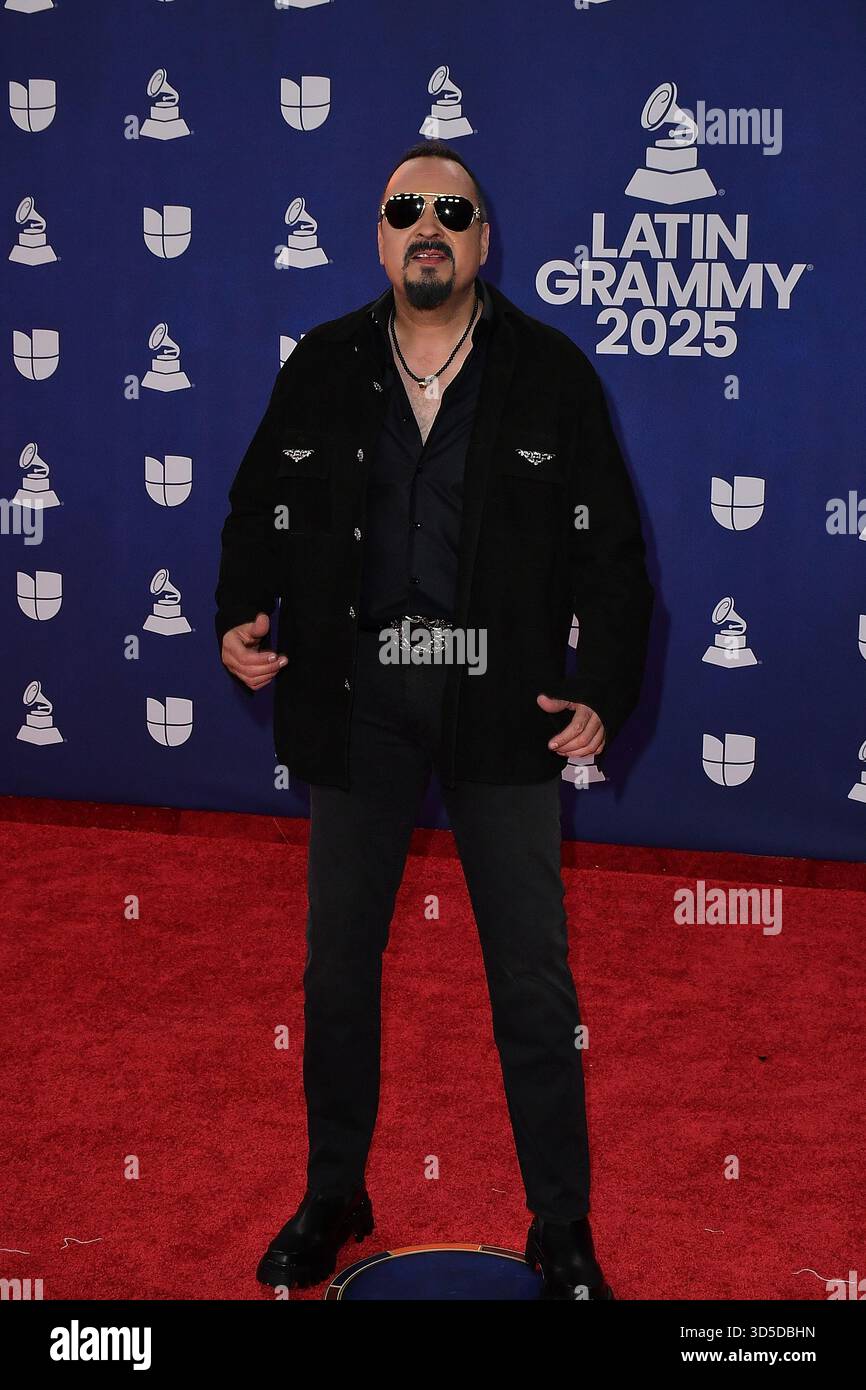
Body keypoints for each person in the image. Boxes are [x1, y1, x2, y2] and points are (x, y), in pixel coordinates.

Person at [214, 140, 654, 1300]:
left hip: (500, 709)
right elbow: (255, 502)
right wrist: (234, 616)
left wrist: (601, 685)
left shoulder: (551, 373)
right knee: (336, 969)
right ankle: (332, 1193)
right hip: (356, 706)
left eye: (448, 211)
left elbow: (611, 554)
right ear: (376, 235)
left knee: (532, 981)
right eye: (404, 208)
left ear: (479, 237)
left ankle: (559, 1224)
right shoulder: (319, 365)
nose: (426, 225)